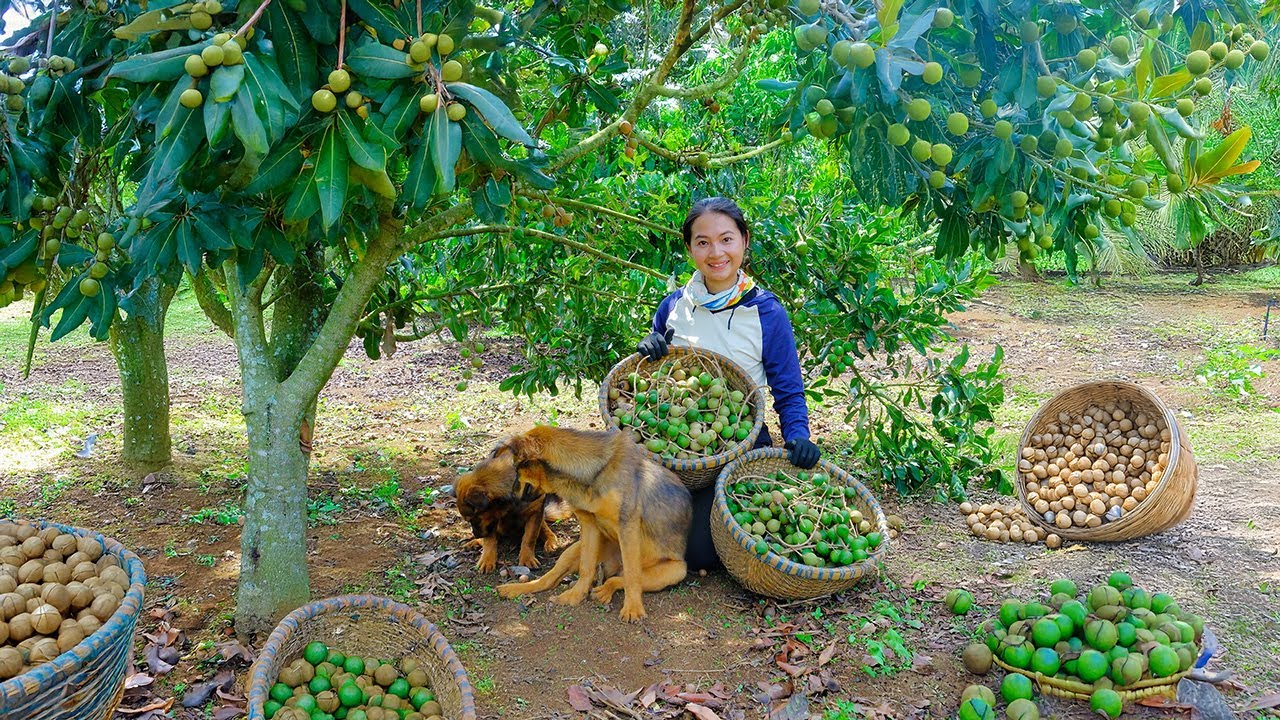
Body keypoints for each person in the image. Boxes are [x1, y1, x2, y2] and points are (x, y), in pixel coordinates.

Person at [636, 196, 820, 571]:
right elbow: (654, 379)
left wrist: (799, 436)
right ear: (689, 248)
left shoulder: (766, 312)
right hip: (677, 445)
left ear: (744, 241)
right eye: (702, 242)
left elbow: (788, 389)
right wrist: (648, 347)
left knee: (699, 551)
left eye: (726, 239)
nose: (715, 252)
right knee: (636, 523)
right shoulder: (674, 306)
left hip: (737, 445)